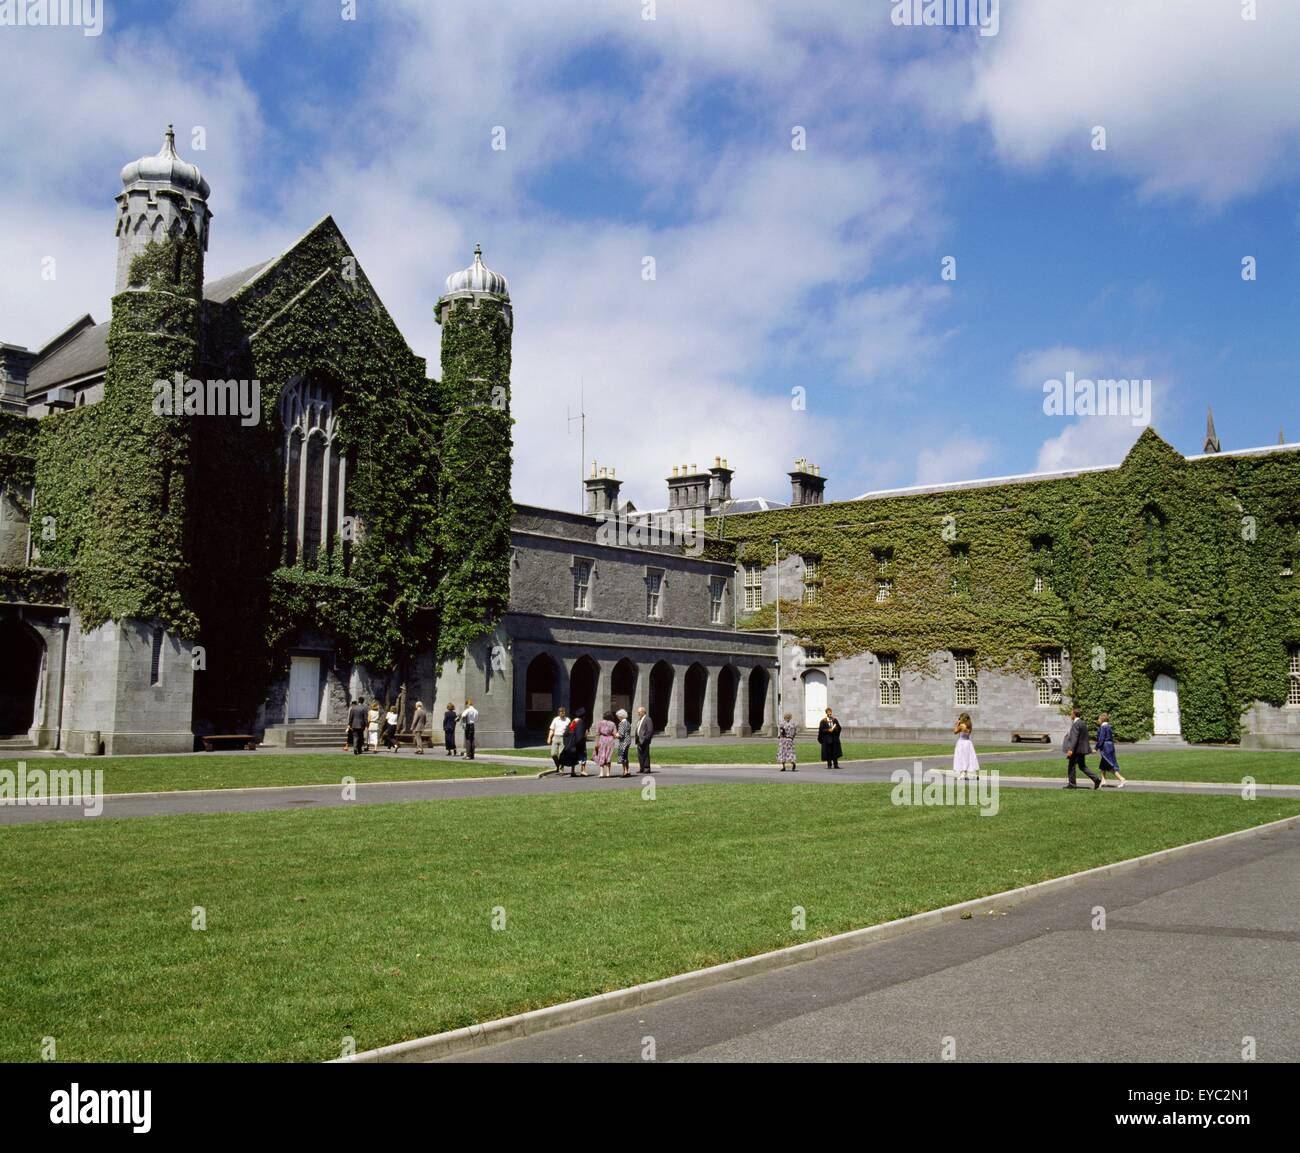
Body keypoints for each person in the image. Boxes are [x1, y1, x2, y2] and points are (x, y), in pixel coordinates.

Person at [1062, 707, 1101, 789]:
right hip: (1081, 750)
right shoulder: (1083, 723)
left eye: (1071, 713)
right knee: (1082, 766)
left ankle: (1072, 784)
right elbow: (1086, 737)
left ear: (1074, 714)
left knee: (1071, 767)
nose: (1070, 715)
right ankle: (1096, 779)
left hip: (1076, 750)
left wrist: (1070, 750)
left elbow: (1074, 738)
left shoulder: (1076, 724)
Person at [1095, 712, 1126, 787]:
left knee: (1110, 764)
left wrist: (1096, 748)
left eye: (1099, 718)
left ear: (1102, 719)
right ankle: (1103, 780)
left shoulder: (1103, 727)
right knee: (1103, 765)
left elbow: (1101, 739)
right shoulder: (1108, 726)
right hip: (1110, 746)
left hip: (1106, 748)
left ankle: (1121, 779)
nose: (1098, 720)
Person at [561, 707, 589, 776]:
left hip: (572, 743)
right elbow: (580, 734)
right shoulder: (581, 722)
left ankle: (572, 771)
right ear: (583, 716)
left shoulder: (572, 722)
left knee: (574, 756)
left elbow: (566, 733)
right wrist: (584, 736)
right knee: (583, 756)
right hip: (579, 743)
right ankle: (583, 770)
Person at [952, 712, 980, 779]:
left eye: (960, 717)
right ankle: (966, 773)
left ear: (963, 718)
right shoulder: (970, 725)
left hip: (961, 743)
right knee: (967, 758)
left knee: (961, 757)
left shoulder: (962, 726)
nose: (959, 718)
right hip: (968, 743)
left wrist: (956, 724)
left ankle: (962, 773)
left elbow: (955, 732)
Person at [594, 711, 618, 777]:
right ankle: (608, 773)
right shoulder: (613, 724)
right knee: (608, 756)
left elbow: (597, 733)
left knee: (601, 755)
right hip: (610, 740)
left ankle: (601, 773)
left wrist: (596, 743)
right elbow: (615, 733)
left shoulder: (600, 723)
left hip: (602, 739)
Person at [634, 706, 654, 773]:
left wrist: (646, 739)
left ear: (643, 712)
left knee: (645, 754)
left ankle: (646, 768)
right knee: (640, 755)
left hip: (644, 740)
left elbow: (650, 731)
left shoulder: (648, 719)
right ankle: (641, 768)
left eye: (639, 712)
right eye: (638, 712)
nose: (638, 713)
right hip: (639, 740)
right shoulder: (640, 719)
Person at [615, 709, 632, 777]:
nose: (617, 717)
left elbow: (621, 735)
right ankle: (627, 771)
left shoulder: (621, 723)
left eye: (618, 716)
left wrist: (615, 735)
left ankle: (625, 772)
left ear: (620, 716)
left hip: (623, 741)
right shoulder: (628, 722)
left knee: (622, 757)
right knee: (626, 756)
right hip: (628, 741)